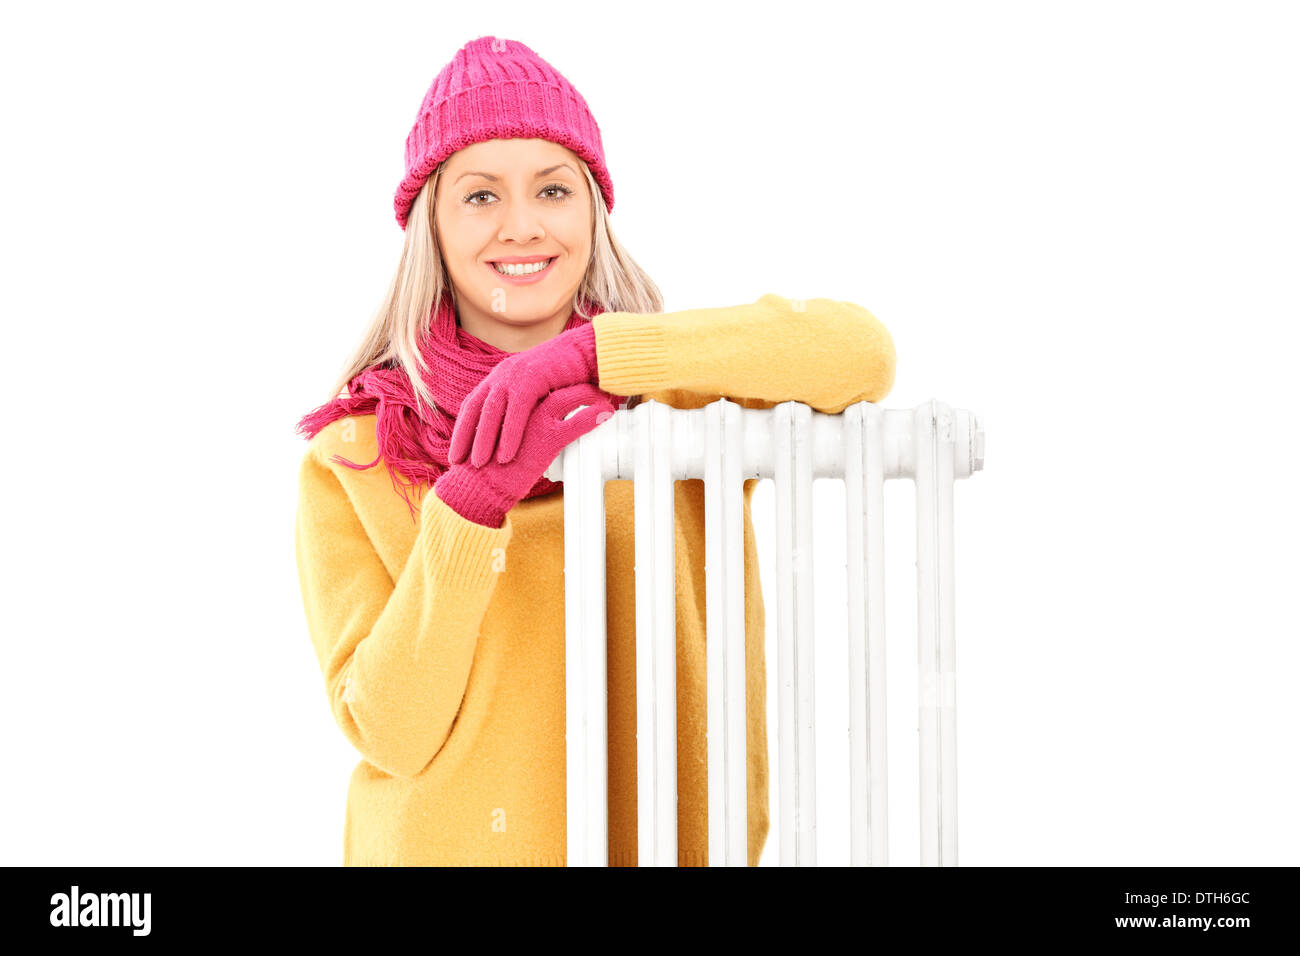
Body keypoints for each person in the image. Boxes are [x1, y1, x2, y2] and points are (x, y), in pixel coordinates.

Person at [293, 35, 898, 866]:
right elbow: (389, 731)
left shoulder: (669, 395)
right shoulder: (356, 452)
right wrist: (469, 508)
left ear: (593, 211)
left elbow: (861, 352)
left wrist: (593, 357)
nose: (523, 225)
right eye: (479, 195)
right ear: (430, 221)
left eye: (553, 188)